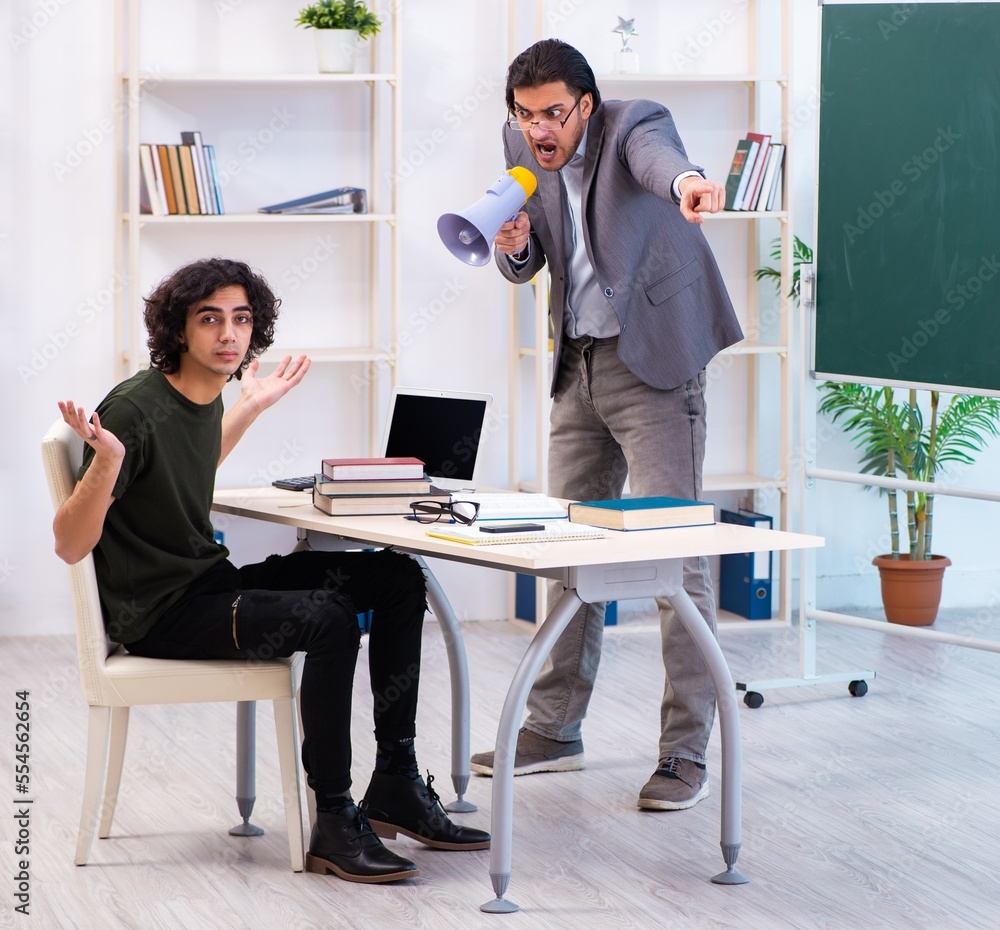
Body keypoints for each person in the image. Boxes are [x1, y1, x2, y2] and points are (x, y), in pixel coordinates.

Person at [53, 257, 489, 883]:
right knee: (328, 619)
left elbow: (187, 466)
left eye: (241, 319)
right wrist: (107, 461)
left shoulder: (200, 394)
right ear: (178, 330)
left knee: (396, 579)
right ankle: (335, 820)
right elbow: (70, 544)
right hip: (161, 615)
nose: (228, 335)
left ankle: (395, 778)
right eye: (210, 320)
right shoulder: (134, 407)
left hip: (209, 585)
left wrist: (251, 406)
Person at [470, 40, 744, 812]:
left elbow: (663, 161)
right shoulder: (520, 148)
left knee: (675, 561)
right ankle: (555, 730)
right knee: (567, 554)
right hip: (579, 367)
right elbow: (528, 265)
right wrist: (515, 251)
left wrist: (690, 183)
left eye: (553, 113)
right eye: (525, 115)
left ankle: (684, 753)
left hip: (653, 362)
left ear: (585, 105)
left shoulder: (633, 125)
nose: (538, 130)